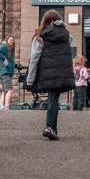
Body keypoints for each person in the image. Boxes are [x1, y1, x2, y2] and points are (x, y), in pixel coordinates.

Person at [25, 9, 74, 140]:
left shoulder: (40, 36)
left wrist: (30, 79)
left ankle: (50, 128)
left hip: (47, 73)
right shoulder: (66, 34)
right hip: (61, 73)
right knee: (54, 100)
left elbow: (34, 58)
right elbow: (69, 46)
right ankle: (52, 128)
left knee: (52, 100)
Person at [0, 36, 16, 111]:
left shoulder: (10, 50)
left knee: (4, 91)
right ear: (7, 40)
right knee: (9, 90)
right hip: (5, 72)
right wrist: (3, 59)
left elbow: (11, 61)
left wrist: (16, 66)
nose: (12, 41)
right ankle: (6, 107)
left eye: (13, 40)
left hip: (6, 72)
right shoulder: (4, 46)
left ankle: (2, 107)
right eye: (10, 40)